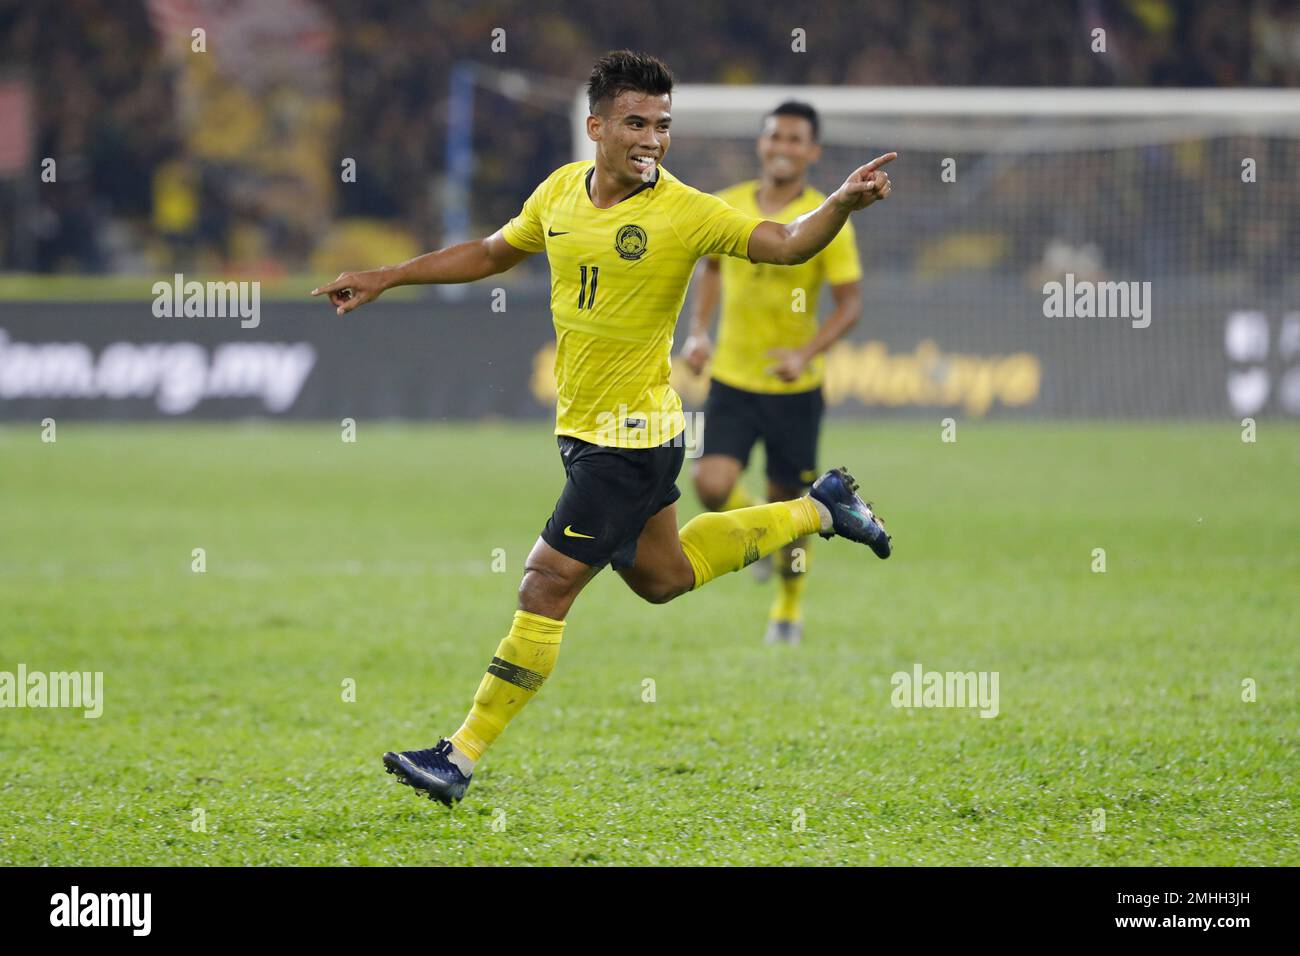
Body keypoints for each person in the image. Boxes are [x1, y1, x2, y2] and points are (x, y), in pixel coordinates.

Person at [311, 50, 894, 806]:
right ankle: (822, 506)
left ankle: (459, 755)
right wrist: (389, 275)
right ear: (596, 127)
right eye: (636, 123)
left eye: (662, 125)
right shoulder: (559, 191)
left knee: (545, 582)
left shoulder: (686, 210)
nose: (652, 139)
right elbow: (492, 252)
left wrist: (841, 203)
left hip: (632, 438)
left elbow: (783, 244)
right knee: (664, 577)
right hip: (586, 433)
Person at [681, 100, 863, 646]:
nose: (782, 147)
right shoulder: (729, 205)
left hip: (794, 389)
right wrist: (699, 332)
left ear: (812, 152)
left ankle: (788, 607)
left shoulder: (829, 214)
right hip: (734, 378)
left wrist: (804, 356)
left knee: (797, 510)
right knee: (709, 484)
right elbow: (711, 268)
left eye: (794, 139)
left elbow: (850, 305)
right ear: (762, 145)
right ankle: (757, 533)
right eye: (774, 137)